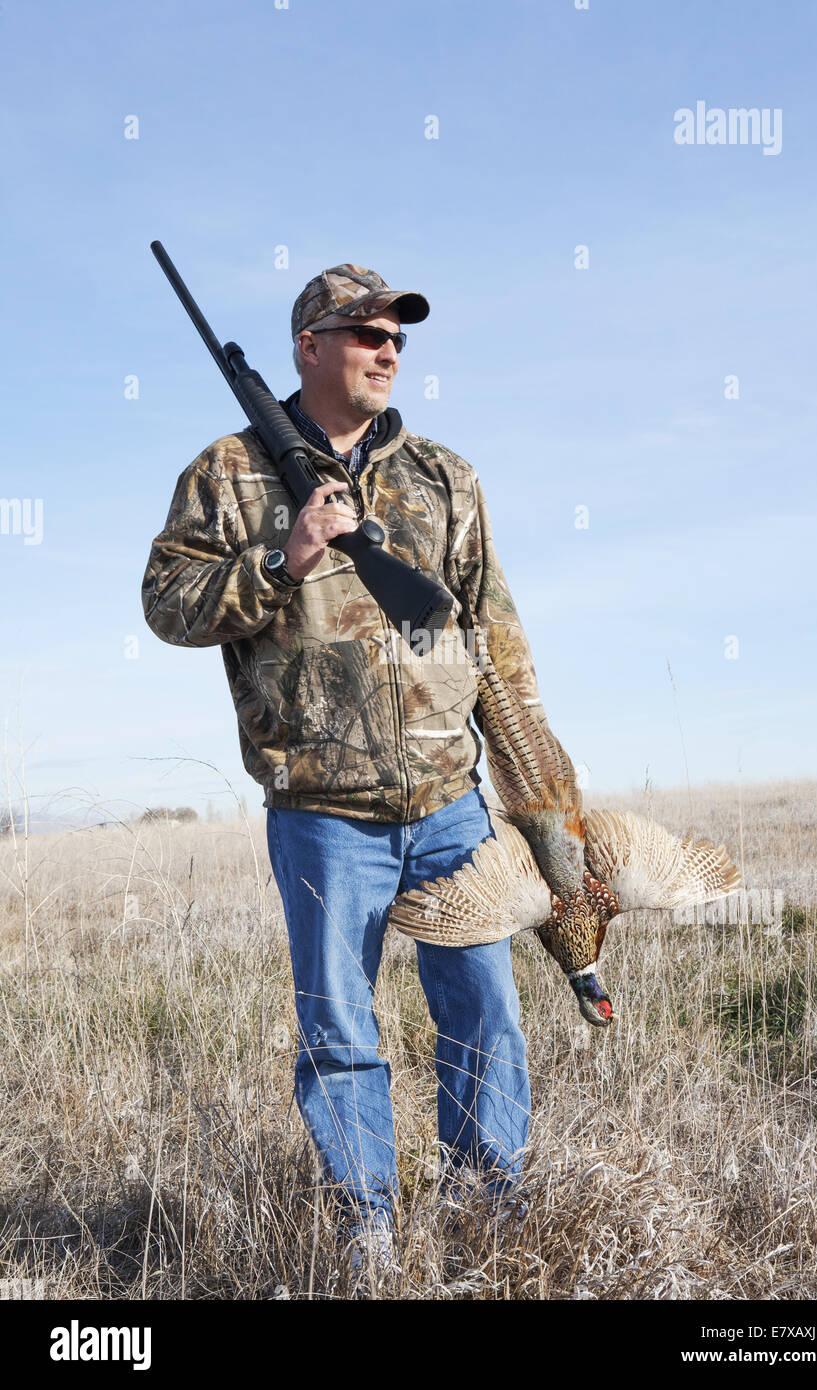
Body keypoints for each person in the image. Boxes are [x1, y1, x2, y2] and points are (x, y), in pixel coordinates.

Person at [141, 262, 557, 1278]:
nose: (388, 351)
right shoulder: (226, 471)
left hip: (450, 805)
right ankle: (366, 1225)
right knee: (338, 1029)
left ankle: (487, 1213)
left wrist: (540, 789)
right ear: (308, 346)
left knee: (484, 1017)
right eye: (367, 333)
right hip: (322, 810)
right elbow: (165, 604)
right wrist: (280, 561)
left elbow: (495, 637)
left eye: (398, 338)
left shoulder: (444, 477)